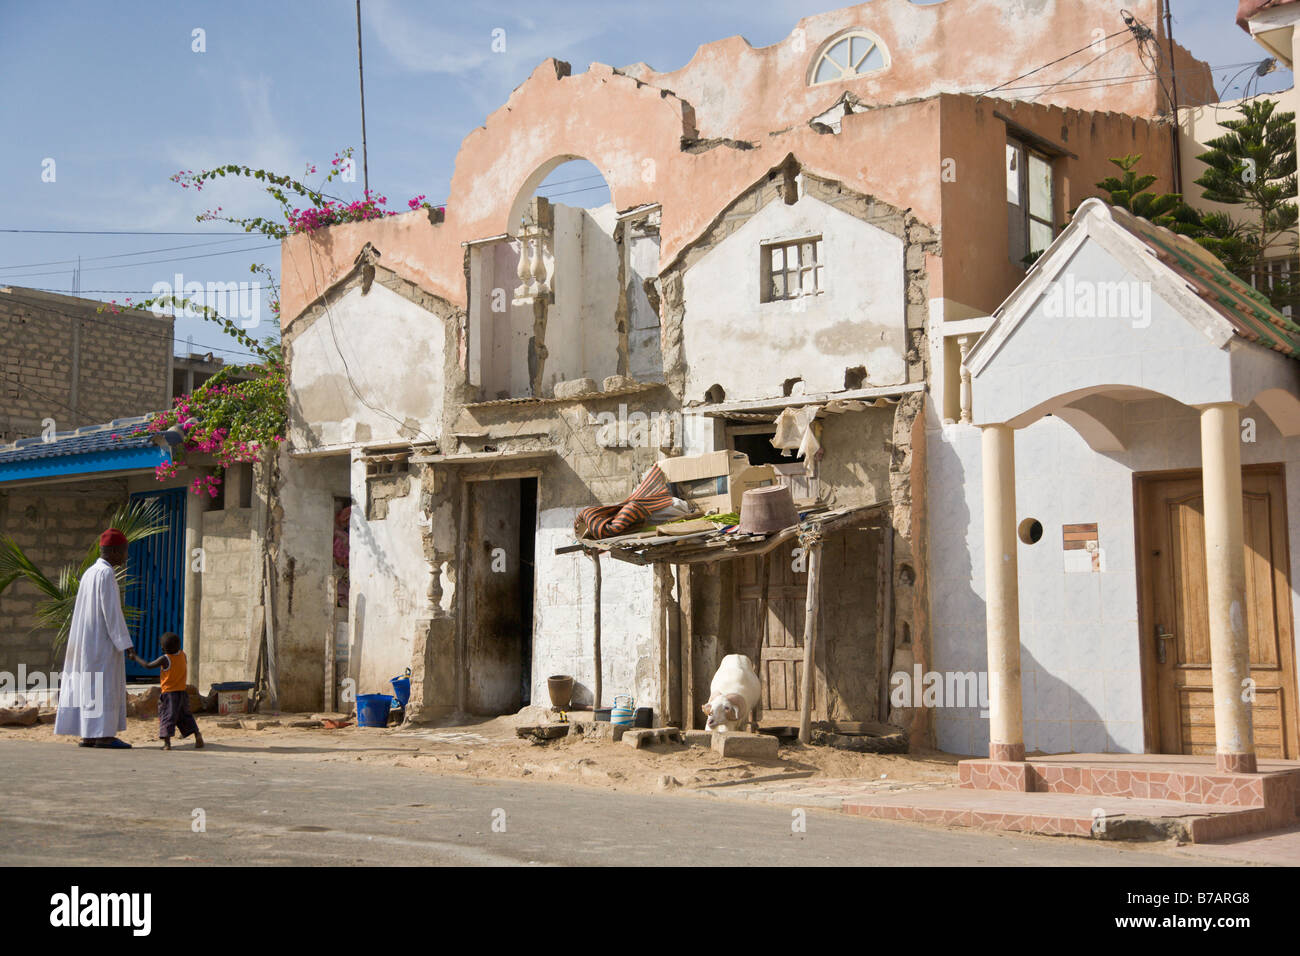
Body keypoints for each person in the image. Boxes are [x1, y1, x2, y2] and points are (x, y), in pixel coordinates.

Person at [54, 528, 135, 749]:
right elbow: (111, 612)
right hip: (102, 642)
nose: (126, 557)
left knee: (90, 687)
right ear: (116, 551)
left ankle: (89, 735)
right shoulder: (106, 574)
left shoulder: (90, 572)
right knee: (104, 685)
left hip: (87, 642)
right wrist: (126, 643)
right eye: (125, 552)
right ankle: (104, 736)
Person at [133, 632, 204, 750]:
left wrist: (135, 657)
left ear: (163, 648)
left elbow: (148, 665)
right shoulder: (183, 655)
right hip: (182, 693)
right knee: (186, 716)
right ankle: (197, 735)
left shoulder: (165, 659)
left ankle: (167, 744)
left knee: (167, 716)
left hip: (169, 694)